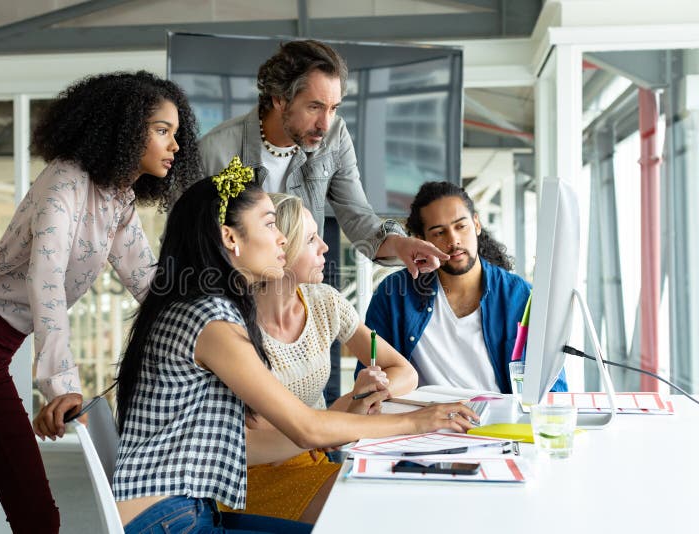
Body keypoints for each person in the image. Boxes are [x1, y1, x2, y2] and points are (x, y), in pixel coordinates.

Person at [0, 71, 201, 533]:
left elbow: (150, 283)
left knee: (38, 515)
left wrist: (216, 310)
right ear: (123, 127)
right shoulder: (65, 180)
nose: (175, 145)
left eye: (176, 134)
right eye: (163, 130)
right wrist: (60, 384)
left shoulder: (116, 197)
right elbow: (47, 277)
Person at [113, 160, 476, 534]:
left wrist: (347, 417)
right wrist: (417, 421)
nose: (282, 239)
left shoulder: (209, 307)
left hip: (185, 509)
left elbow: (269, 436)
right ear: (230, 238)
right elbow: (305, 429)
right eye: (269, 224)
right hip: (169, 520)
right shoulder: (213, 320)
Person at [218, 193, 418, 524]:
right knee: (375, 512)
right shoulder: (232, 329)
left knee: (390, 502)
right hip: (251, 480)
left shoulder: (324, 302)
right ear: (282, 247)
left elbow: (404, 371)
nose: (325, 247)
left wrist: (373, 391)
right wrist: (345, 415)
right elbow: (257, 440)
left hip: (314, 461)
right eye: (311, 239)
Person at [198, 39, 448, 277]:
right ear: (279, 100)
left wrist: (400, 244)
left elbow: (358, 216)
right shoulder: (215, 151)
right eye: (314, 107)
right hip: (236, 293)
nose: (325, 124)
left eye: (333, 108)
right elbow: (190, 241)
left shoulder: (335, 136)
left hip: (300, 291)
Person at [363, 181, 568, 394]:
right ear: (421, 240)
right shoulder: (394, 295)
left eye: (461, 226)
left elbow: (553, 389)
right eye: (439, 233)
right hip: (422, 422)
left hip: (496, 422)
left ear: (477, 224)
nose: (454, 240)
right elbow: (371, 377)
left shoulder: (522, 297)